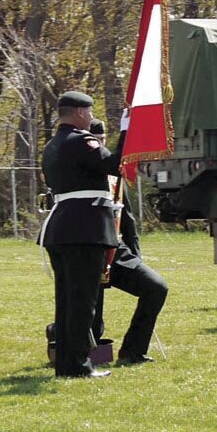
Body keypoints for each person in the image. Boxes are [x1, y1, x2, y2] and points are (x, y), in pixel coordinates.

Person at [39, 91, 122, 378]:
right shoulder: (82, 141)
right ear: (80, 113)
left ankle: (66, 363)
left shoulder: (51, 145)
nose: (90, 116)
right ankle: (78, 366)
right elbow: (114, 165)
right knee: (82, 302)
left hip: (61, 228)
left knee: (66, 301)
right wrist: (125, 133)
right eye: (89, 111)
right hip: (84, 229)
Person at [88, 119, 168, 365]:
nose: (99, 145)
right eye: (95, 140)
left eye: (102, 141)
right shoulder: (80, 172)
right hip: (88, 247)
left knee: (155, 288)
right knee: (93, 314)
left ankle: (133, 350)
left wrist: (135, 253)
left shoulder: (113, 177)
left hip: (115, 249)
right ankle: (82, 350)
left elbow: (127, 220)